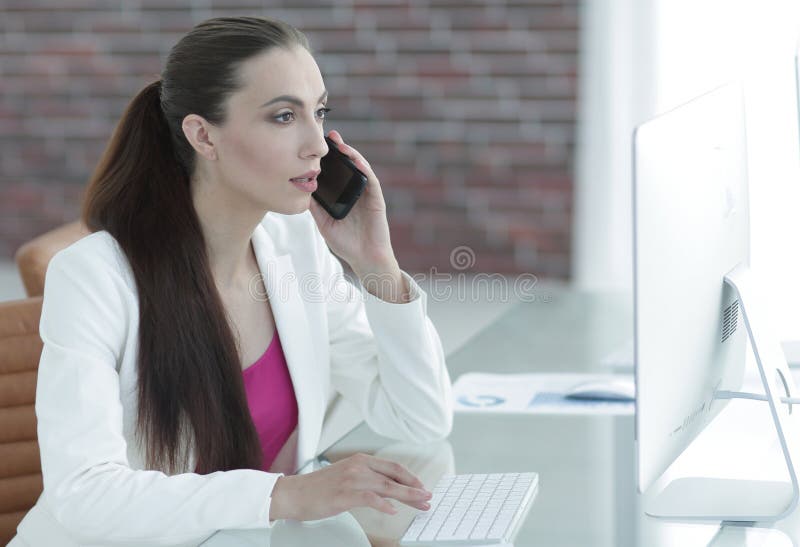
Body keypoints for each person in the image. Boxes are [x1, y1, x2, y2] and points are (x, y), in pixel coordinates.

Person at [9, 15, 452, 546]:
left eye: (321, 112)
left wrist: (378, 266)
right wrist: (285, 495)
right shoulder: (94, 277)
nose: (317, 144)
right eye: (284, 116)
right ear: (203, 135)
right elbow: (85, 493)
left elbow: (419, 420)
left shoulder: (296, 248)